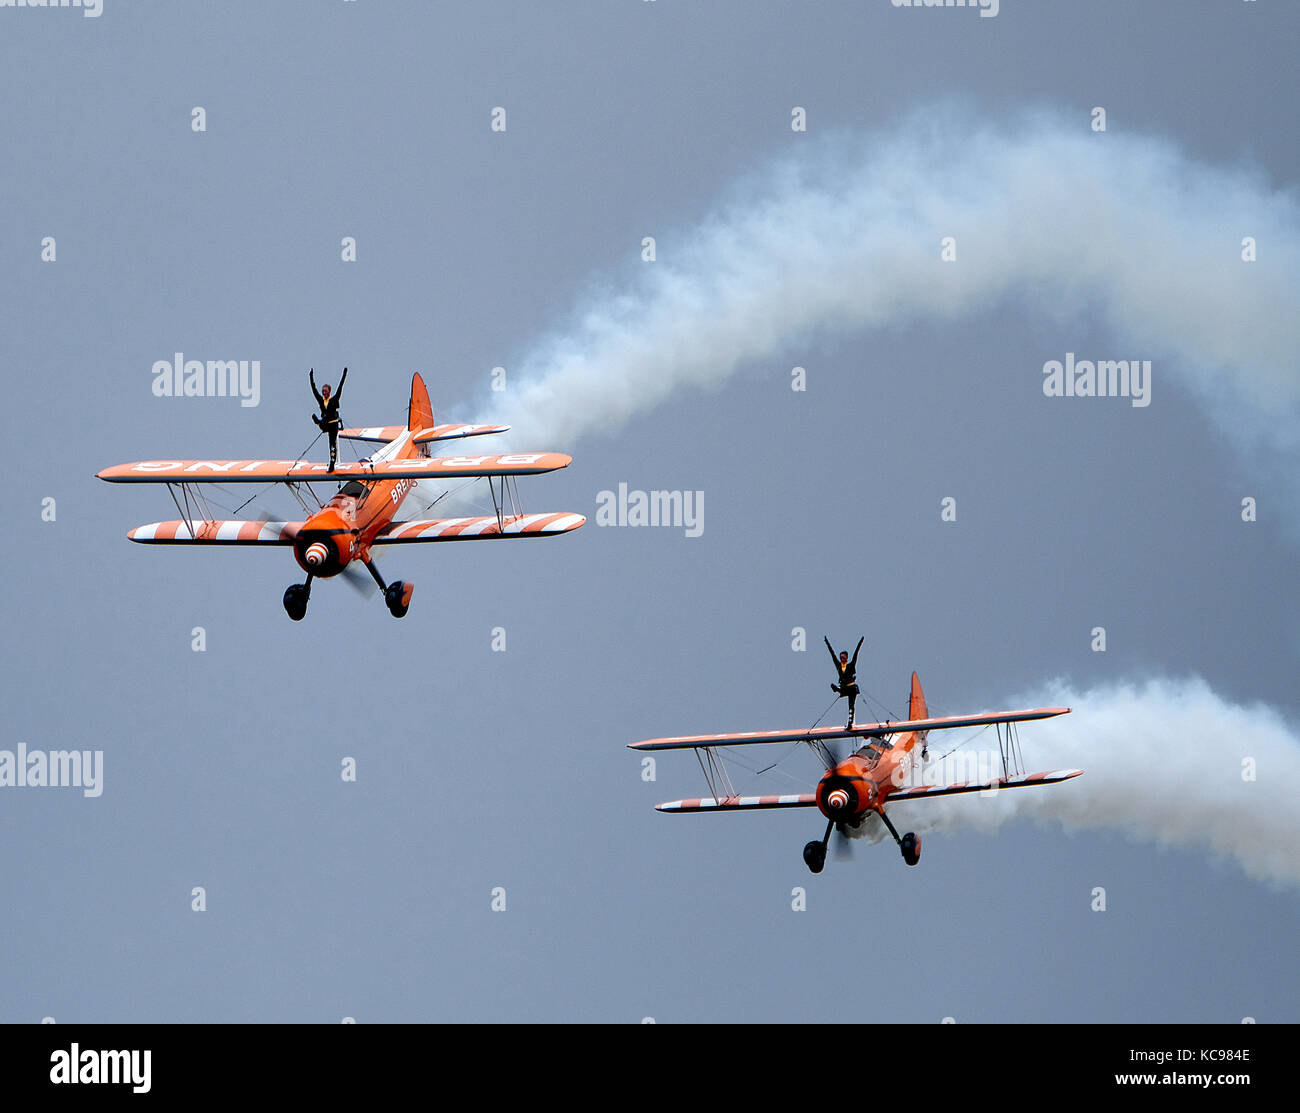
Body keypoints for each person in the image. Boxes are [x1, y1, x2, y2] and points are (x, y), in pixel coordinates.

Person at [310, 367, 347, 472]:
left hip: (333, 424)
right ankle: (318, 422)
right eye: (323, 391)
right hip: (325, 423)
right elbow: (314, 390)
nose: (323, 393)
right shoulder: (321, 401)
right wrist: (311, 377)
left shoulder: (334, 400)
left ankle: (332, 463)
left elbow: (340, 387)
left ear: (329, 392)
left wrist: (344, 374)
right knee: (321, 420)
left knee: (332, 444)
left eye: (325, 391)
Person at [825, 635, 864, 728]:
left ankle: (850, 723)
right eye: (841, 657)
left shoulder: (851, 665)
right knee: (836, 686)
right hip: (844, 687)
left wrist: (860, 642)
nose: (842, 659)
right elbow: (832, 655)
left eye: (843, 657)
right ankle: (838, 689)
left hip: (851, 688)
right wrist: (827, 643)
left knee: (851, 706)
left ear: (846, 657)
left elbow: (856, 653)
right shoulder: (839, 666)